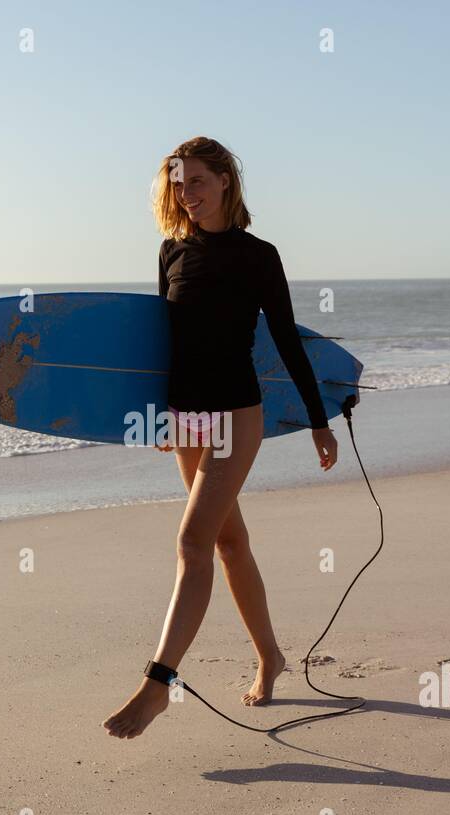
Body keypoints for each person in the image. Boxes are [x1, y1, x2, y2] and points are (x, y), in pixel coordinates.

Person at [102, 136, 339, 740]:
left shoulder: (258, 256)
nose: (188, 194)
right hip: (185, 417)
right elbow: (166, 344)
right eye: (179, 184)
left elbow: (286, 340)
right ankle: (272, 658)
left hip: (236, 416)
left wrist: (318, 418)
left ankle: (159, 683)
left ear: (226, 181)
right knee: (229, 543)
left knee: (192, 541)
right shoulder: (170, 251)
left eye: (199, 182)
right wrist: (160, 414)